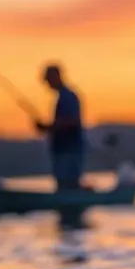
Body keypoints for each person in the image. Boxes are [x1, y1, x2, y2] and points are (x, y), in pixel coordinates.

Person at [34, 63, 86, 191]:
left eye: (49, 80)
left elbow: (71, 122)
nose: (48, 84)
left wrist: (48, 127)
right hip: (63, 149)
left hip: (68, 150)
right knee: (64, 185)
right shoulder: (63, 97)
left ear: (57, 76)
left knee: (68, 186)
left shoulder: (68, 97)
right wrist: (48, 128)